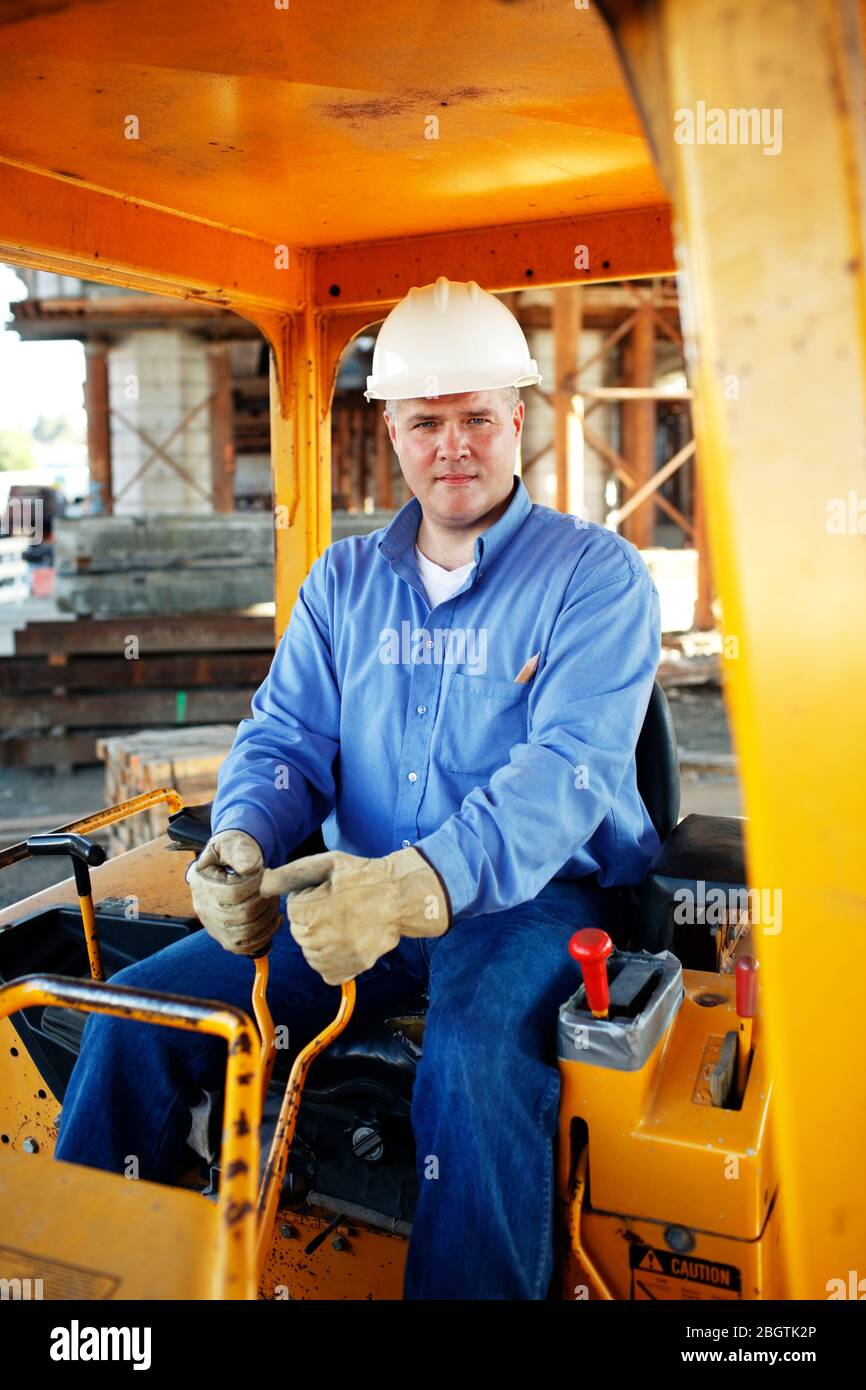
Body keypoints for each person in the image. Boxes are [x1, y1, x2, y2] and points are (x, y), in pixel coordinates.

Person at [55, 276, 661, 1300]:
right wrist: (243, 838)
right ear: (389, 430)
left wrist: (421, 885)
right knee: (138, 1009)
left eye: (475, 417)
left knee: (471, 1063)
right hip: (347, 891)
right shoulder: (341, 584)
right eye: (427, 420)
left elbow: (567, 771)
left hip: (530, 900)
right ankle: (84, 1289)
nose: (453, 445)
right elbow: (286, 737)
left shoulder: (594, 578)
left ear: (517, 418)